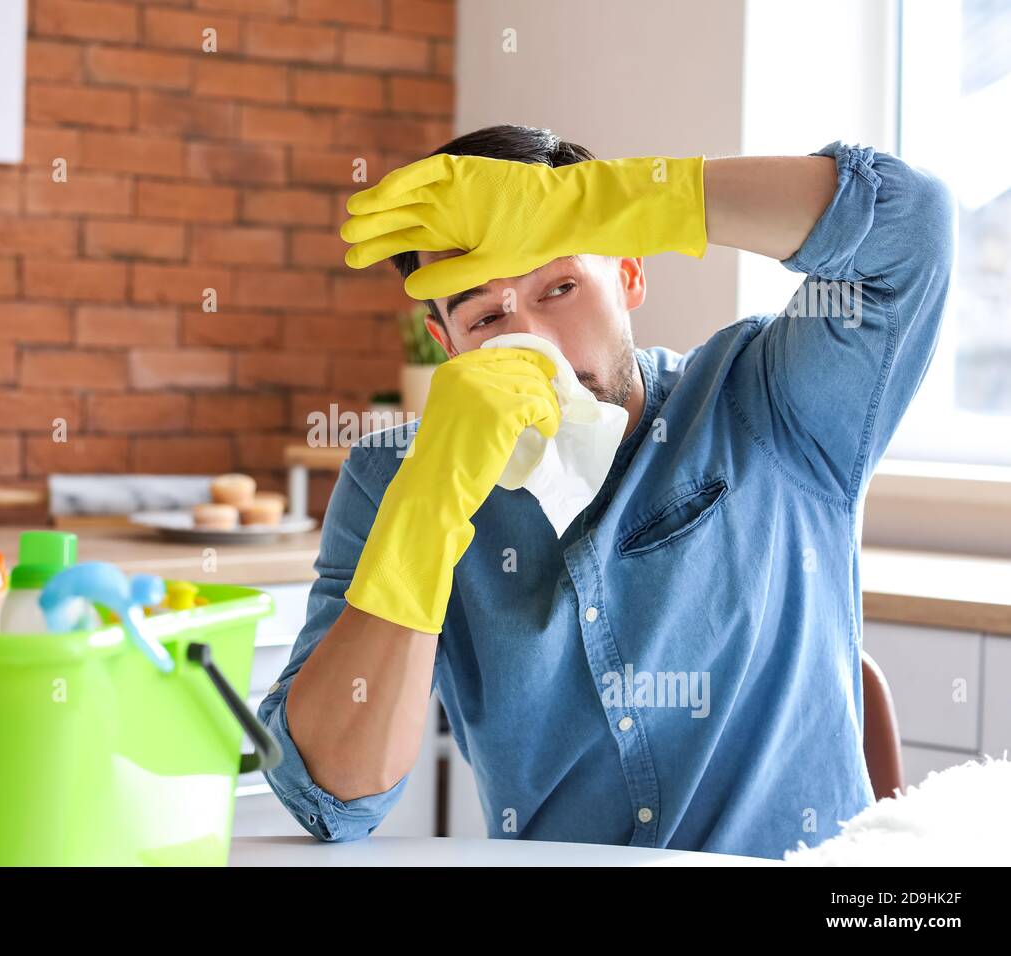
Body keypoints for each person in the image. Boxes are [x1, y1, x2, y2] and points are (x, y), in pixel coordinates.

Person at [256, 125, 955, 858]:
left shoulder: (767, 399)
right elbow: (329, 797)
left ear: (629, 274)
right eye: (486, 317)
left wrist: (615, 198)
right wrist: (429, 505)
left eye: (559, 287)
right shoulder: (392, 478)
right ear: (444, 340)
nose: (533, 342)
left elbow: (914, 227)